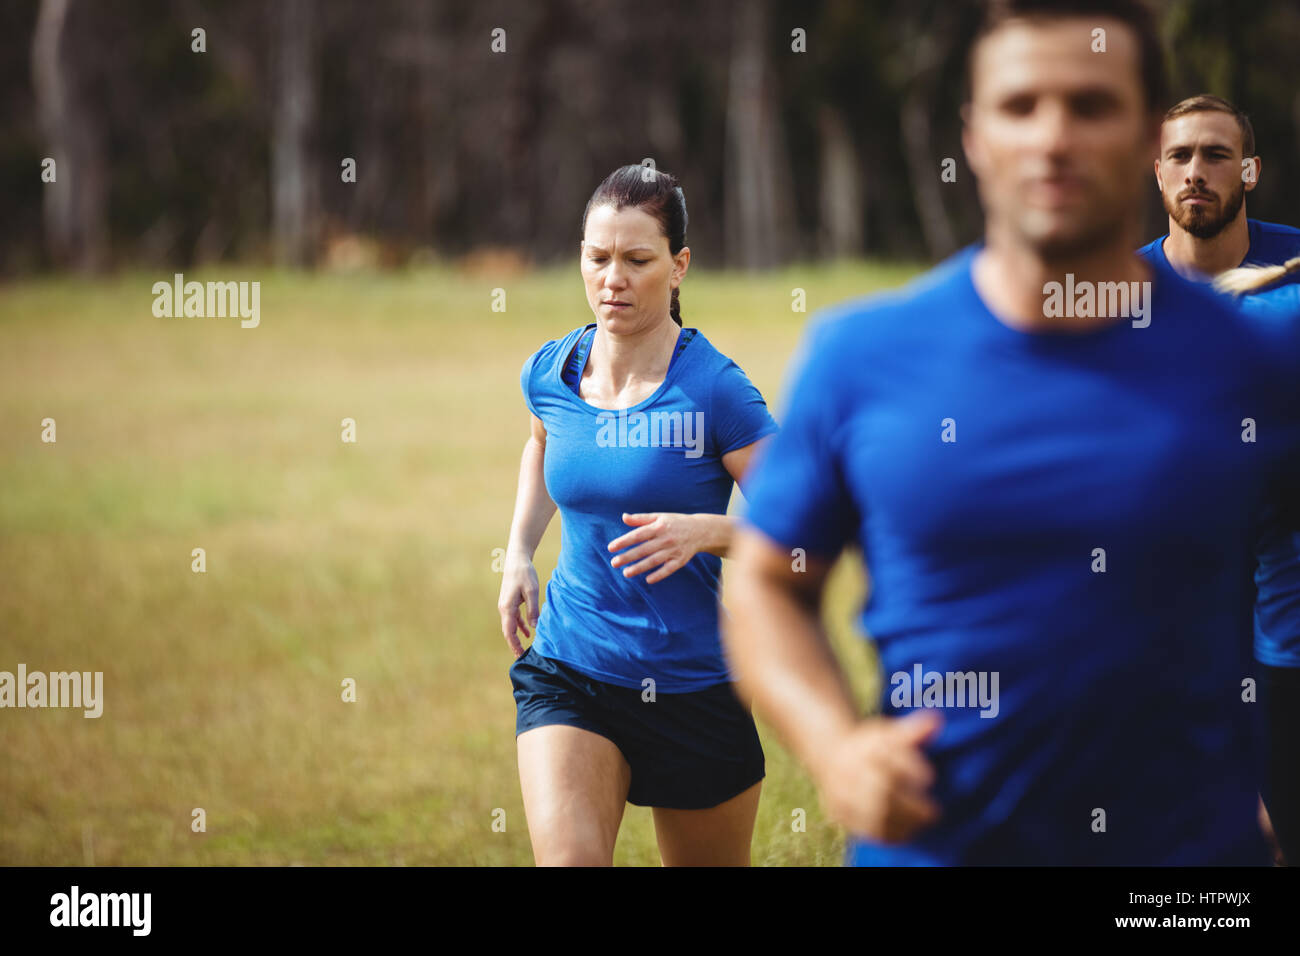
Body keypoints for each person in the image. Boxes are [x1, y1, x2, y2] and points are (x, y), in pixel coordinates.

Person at [722, 0, 1300, 865]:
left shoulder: (1248, 363)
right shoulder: (863, 355)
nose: (1054, 137)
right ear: (976, 135)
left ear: (1140, 131)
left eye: (1091, 106)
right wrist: (835, 746)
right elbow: (767, 585)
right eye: (1021, 106)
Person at [497, 164, 778, 866]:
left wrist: (710, 532)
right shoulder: (552, 370)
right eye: (597, 258)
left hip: (695, 684)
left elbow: (806, 522)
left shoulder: (715, 390)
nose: (611, 278)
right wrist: (519, 551)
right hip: (572, 668)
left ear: (678, 267)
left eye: (636, 260)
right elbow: (541, 444)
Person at [1138, 92, 1300, 864]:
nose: (1196, 172)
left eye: (1216, 154)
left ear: (1252, 171)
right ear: (1156, 171)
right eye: (1180, 156)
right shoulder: (1108, 295)